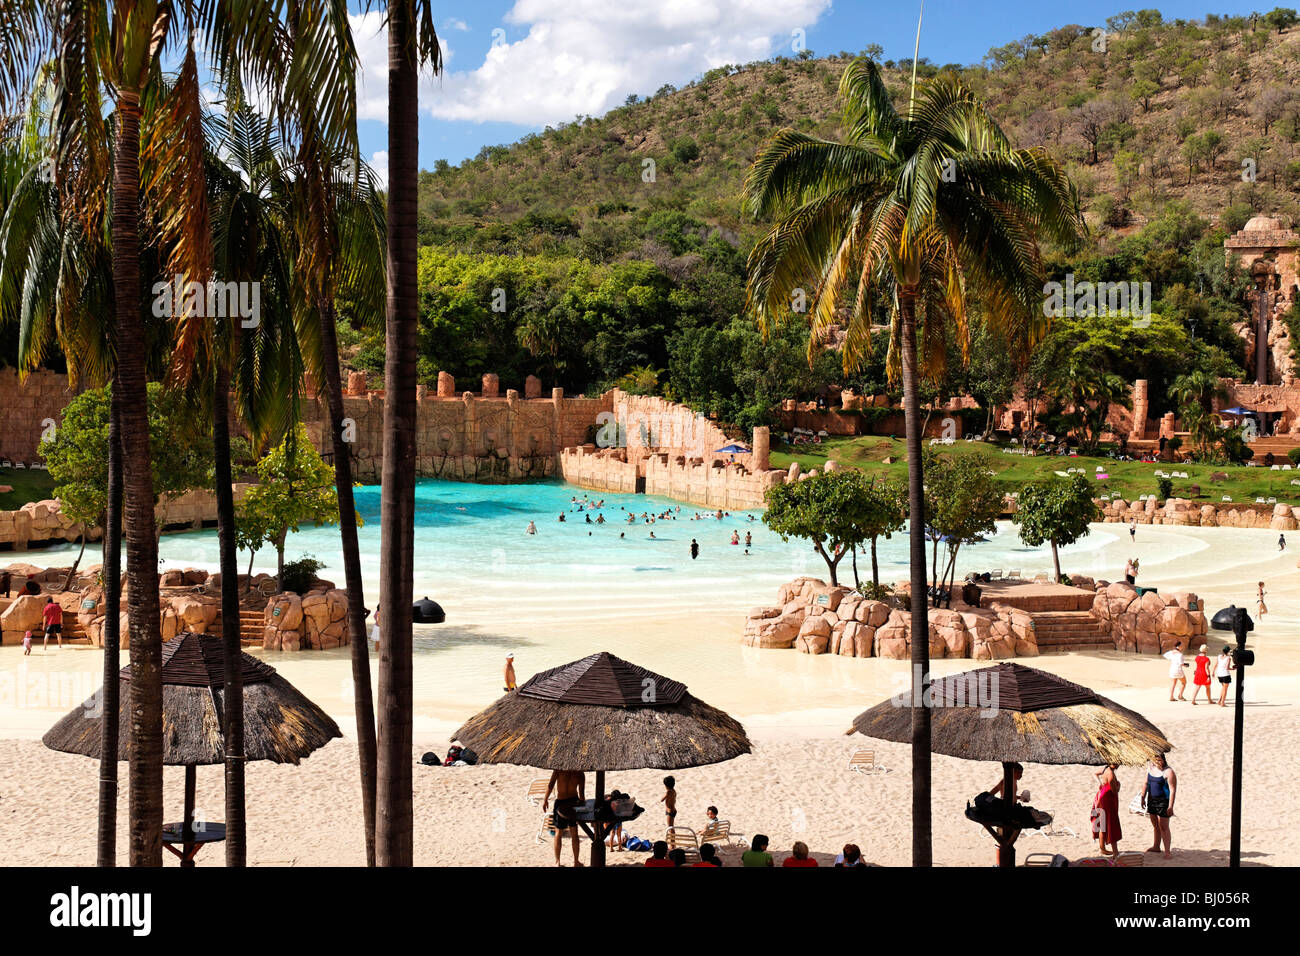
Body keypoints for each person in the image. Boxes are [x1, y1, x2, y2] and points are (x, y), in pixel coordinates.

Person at [542, 769, 586, 867]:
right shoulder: (579, 773)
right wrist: (582, 807)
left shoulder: (558, 770)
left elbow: (551, 785)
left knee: (558, 832)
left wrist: (545, 800)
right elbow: (582, 794)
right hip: (574, 802)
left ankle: (557, 861)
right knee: (574, 832)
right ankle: (576, 861)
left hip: (561, 802)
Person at [1142, 753, 1176, 859]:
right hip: (1151, 800)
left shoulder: (1168, 772)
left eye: (1160, 760)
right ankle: (1156, 846)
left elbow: (1172, 790)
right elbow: (1146, 783)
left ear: (1163, 760)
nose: (1158, 762)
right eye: (1155, 760)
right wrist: (1142, 797)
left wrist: (1170, 807)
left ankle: (1167, 852)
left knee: (1164, 827)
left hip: (1163, 802)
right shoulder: (1150, 769)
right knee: (1155, 825)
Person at [1091, 764, 1122, 857]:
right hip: (1108, 800)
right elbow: (1115, 791)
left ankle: (1102, 848)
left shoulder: (1105, 769)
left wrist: (1100, 783)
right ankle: (1115, 852)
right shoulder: (1111, 774)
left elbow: (1094, 774)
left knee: (1102, 824)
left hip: (1102, 796)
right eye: (1118, 763)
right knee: (1111, 824)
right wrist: (1119, 785)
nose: (1119, 765)